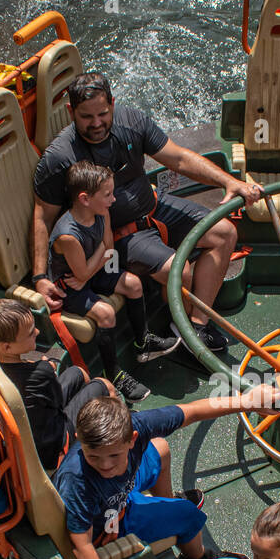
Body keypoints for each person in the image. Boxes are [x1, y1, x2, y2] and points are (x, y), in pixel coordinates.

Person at [32, 73, 263, 357]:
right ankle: (184, 331)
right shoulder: (59, 158)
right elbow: (43, 216)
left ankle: (195, 326)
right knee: (178, 270)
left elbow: (178, 158)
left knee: (225, 233)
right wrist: (40, 276)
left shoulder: (132, 122)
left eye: (103, 114)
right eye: (86, 117)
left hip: (155, 206)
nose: (96, 123)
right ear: (71, 112)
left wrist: (229, 181)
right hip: (118, 237)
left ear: (113, 104)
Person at [55, 384, 280, 559]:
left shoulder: (139, 426)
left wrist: (247, 401)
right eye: (93, 457)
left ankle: (165, 508)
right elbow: (81, 546)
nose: (105, 466)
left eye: (114, 456)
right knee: (187, 514)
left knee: (160, 449)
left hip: (119, 495)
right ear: (81, 443)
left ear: (132, 439)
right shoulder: (78, 480)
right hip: (107, 524)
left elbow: (193, 410)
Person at [48, 161, 180, 403]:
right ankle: (114, 373)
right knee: (107, 313)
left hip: (88, 273)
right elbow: (83, 272)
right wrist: (100, 256)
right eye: (107, 194)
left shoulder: (102, 211)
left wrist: (97, 259)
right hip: (69, 287)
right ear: (85, 199)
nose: (113, 199)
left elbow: (106, 250)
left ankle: (144, 343)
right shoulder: (68, 235)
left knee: (134, 284)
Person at [0, 298, 114, 469]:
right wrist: (47, 369)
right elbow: (57, 407)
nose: (37, 331)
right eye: (29, 333)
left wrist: (43, 369)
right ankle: (113, 432)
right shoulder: (39, 374)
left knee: (77, 372)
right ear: (7, 347)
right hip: (52, 446)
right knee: (104, 385)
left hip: (27, 428)